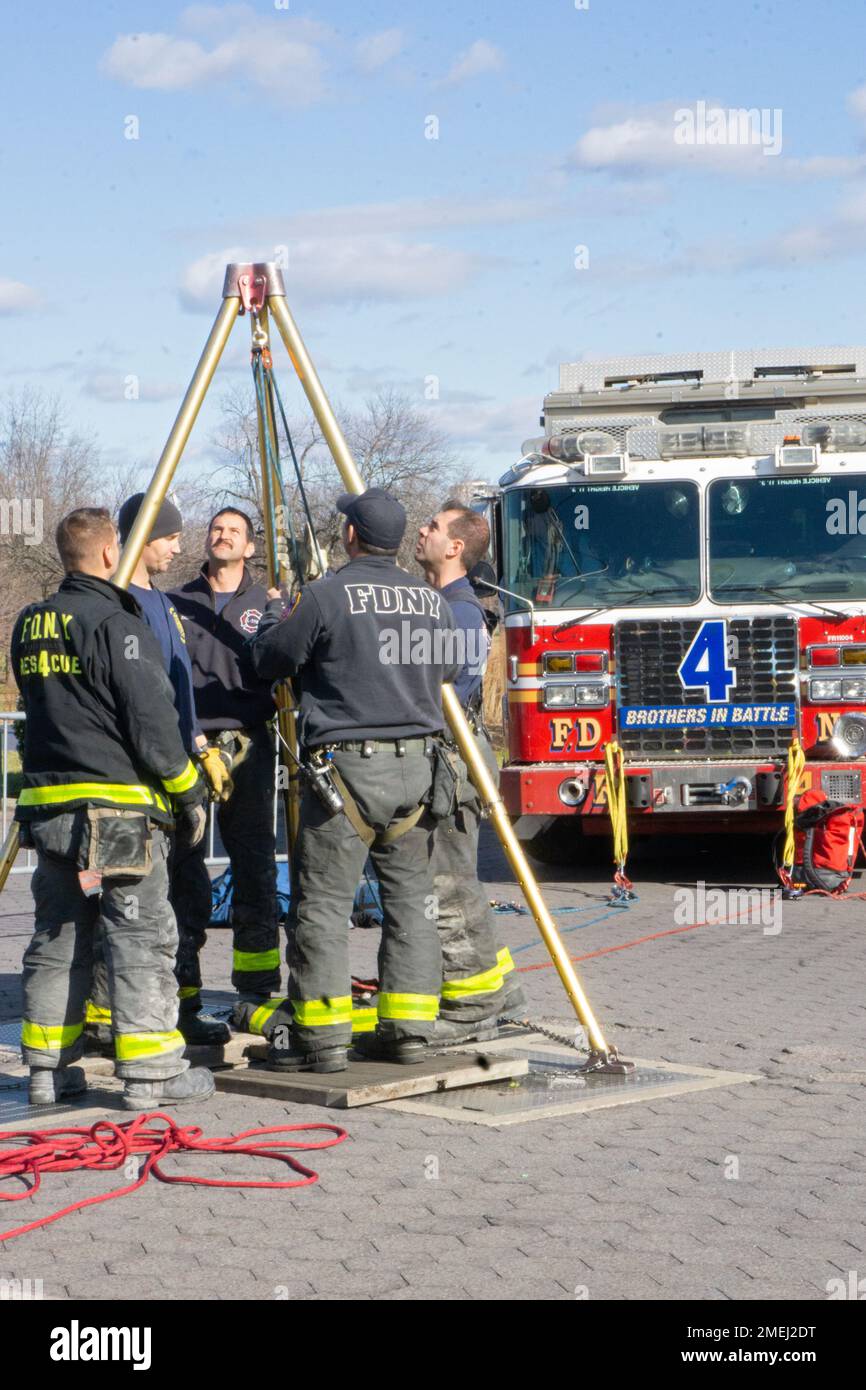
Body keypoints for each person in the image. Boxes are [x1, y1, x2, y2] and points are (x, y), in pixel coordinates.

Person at [247, 487, 460, 1073]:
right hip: (418, 774)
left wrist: (271, 614)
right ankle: (409, 1031)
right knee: (412, 905)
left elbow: (271, 660)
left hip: (346, 775)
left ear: (349, 536)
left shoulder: (324, 596)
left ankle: (322, 1039)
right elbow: (446, 669)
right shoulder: (431, 600)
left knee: (322, 907)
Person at [12, 507, 214, 1109]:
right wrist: (188, 790)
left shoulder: (30, 624)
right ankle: (152, 1078)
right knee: (142, 935)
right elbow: (152, 722)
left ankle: (48, 1072)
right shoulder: (117, 624)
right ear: (108, 555)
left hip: (50, 812)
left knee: (58, 935)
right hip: (119, 812)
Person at [86, 494, 231, 1047]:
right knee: (132, 900)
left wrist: (197, 743)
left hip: (177, 764)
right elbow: (135, 700)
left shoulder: (162, 603)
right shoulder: (122, 604)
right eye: (169, 536)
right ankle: (107, 1016)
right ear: (141, 536)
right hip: (143, 778)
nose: (177, 545)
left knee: (187, 893)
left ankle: (183, 1004)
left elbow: (175, 688)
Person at [415, 501, 527, 1042]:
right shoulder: (444, 604)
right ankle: (497, 990)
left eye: (433, 527)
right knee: (458, 884)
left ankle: (469, 1007)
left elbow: (441, 693)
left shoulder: (456, 612)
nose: (422, 530)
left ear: (455, 547)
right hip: (451, 758)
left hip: (450, 762)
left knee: (449, 886)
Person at [170, 509, 279, 1006]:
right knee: (183, 864)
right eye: (217, 528)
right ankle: (181, 985)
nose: (223, 535)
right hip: (188, 746)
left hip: (249, 745)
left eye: (234, 531)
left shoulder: (268, 602)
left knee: (253, 866)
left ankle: (255, 988)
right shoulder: (176, 601)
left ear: (250, 547)